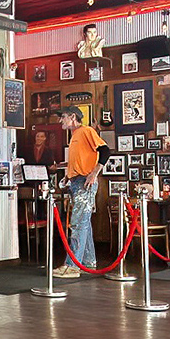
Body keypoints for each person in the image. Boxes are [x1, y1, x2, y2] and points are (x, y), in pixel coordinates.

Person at [53, 105, 110, 278]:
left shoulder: (86, 131)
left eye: (63, 116)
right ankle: (88, 261)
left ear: (72, 116)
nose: (60, 120)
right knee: (83, 223)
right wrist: (67, 175)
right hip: (77, 182)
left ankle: (72, 266)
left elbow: (105, 151)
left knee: (78, 224)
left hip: (85, 182)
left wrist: (93, 174)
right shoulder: (74, 136)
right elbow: (79, 160)